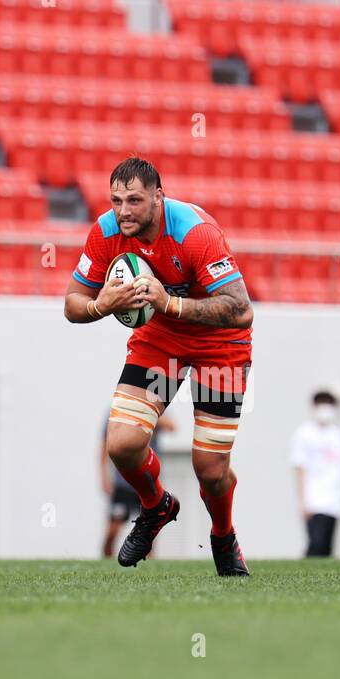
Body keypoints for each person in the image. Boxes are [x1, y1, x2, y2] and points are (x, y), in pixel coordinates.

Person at [64, 157, 254, 576]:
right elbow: (72, 305)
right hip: (161, 341)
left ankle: (223, 535)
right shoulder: (107, 231)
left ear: (158, 198)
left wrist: (168, 303)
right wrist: (101, 305)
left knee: (209, 468)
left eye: (134, 200)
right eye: (116, 200)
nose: (123, 210)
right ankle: (157, 507)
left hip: (221, 346)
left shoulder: (194, 232)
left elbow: (241, 310)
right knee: (122, 444)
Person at [100, 411, 175, 558]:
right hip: (123, 483)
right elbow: (104, 448)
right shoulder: (115, 411)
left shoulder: (154, 409)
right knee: (113, 530)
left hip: (148, 482)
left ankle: (150, 568)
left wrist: (147, 414)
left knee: (149, 531)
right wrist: (104, 478)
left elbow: (171, 427)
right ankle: (105, 563)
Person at [289, 391, 340, 557]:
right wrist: (302, 501)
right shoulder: (305, 433)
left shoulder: (337, 435)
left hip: (333, 500)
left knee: (327, 548)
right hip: (314, 499)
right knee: (316, 544)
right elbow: (299, 467)